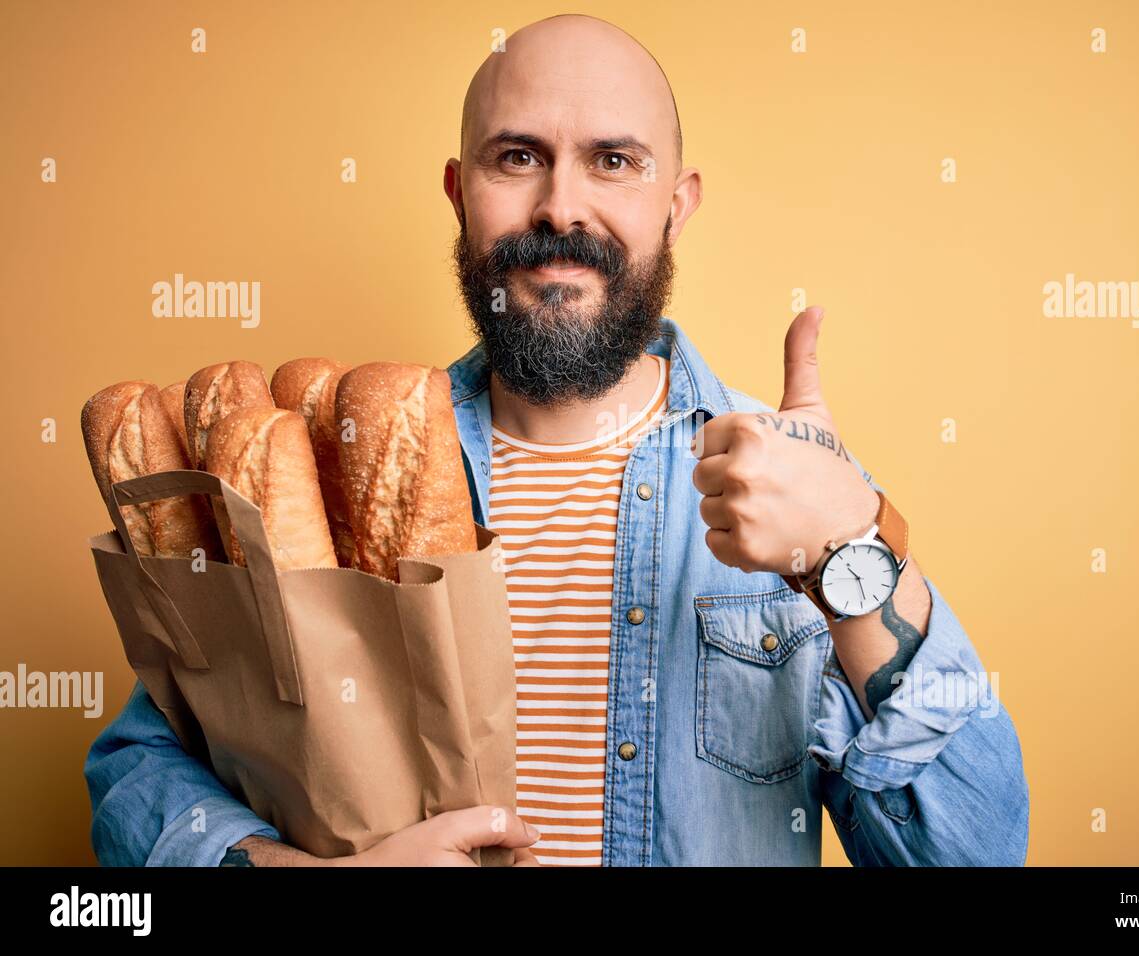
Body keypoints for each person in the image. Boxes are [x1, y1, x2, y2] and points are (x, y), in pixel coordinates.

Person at [85, 13, 1028, 866]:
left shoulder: (789, 484)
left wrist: (848, 550)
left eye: (614, 161)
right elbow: (143, 764)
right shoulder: (338, 473)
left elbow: (976, 855)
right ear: (459, 193)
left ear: (679, 202)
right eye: (518, 157)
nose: (561, 208)